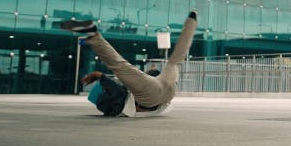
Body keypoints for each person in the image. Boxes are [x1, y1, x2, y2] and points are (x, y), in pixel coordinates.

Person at [64, 11, 197, 117]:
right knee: (120, 65)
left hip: (166, 95)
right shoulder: (126, 101)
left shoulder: (135, 97)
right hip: (161, 93)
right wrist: (100, 76)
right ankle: (191, 22)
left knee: (175, 60)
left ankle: (191, 22)